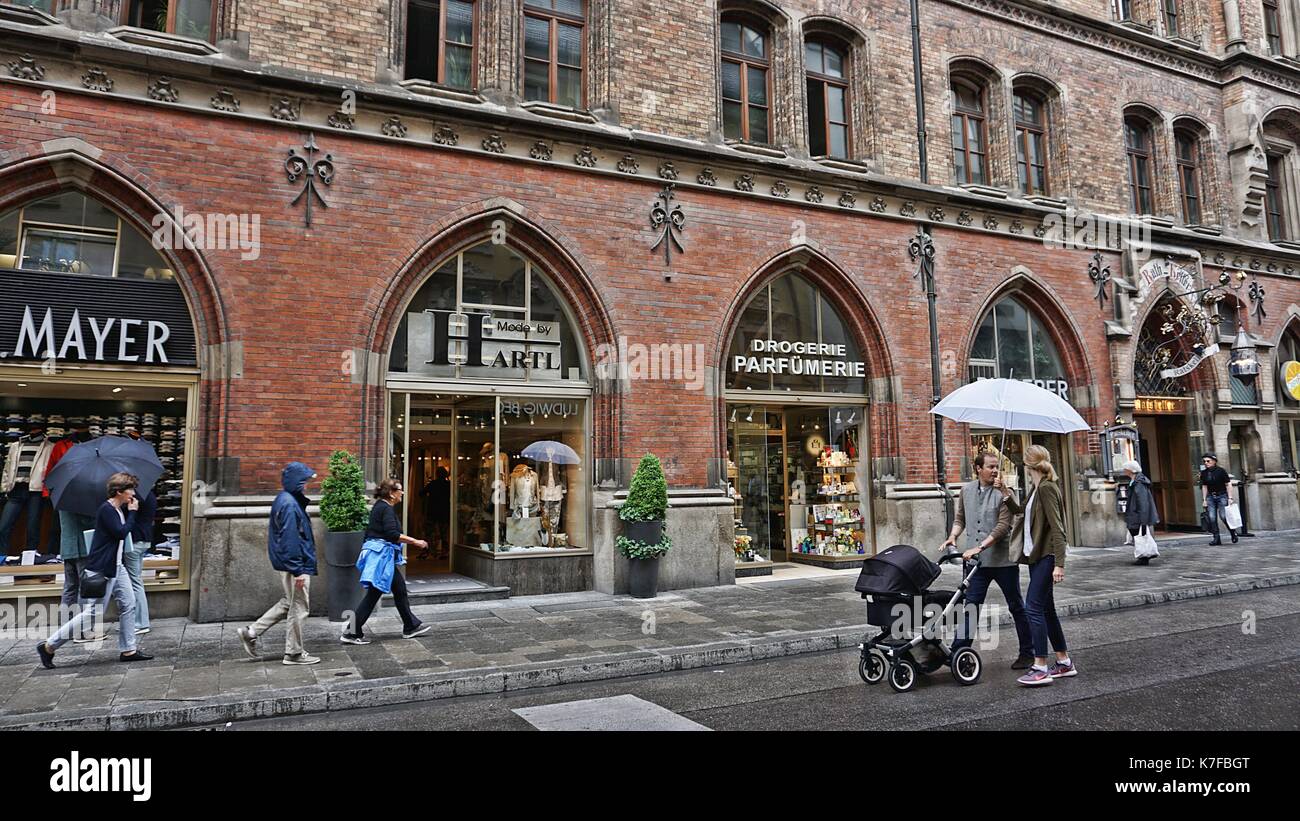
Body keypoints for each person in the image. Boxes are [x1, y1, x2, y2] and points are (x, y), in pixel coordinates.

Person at [36, 472, 154, 668]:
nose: (133, 493)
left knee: (129, 604)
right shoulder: (107, 510)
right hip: (104, 568)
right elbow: (121, 533)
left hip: (117, 566)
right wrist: (133, 513)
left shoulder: (117, 510)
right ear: (119, 492)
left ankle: (128, 649)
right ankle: (49, 645)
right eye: (130, 490)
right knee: (92, 613)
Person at [940, 451, 1034, 669]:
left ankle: (1027, 653)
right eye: (990, 466)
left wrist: (979, 547)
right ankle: (959, 653)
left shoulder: (1005, 493)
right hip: (976, 564)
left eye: (996, 467)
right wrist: (953, 535)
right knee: (971, 607)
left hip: (1003, 561)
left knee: (1016, 606)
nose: (994, 470)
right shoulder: (966, 490)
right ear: (978, 468)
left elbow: (1003, 527)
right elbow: (960, 519)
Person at [1002, 445, 1075, 686]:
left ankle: (1040, 666)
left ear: (1027, 464)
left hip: (1047, 558)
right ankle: (1063, 662)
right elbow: (1021, 512)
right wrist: (1005, 494)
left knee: (1032, 607)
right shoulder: (1036, 488)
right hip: (1037, 557)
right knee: (1046, 610)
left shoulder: (1046, 488)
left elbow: (1059, 529)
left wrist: (1059, 564)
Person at [237, 462, 320, 665]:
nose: (307, 485)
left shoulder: (284, 499)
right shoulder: (290, 504)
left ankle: (252, 632)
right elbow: (290, 540)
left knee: (288, 602)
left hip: (290, 565)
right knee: (299, 607)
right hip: (295, 566)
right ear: (296, 482)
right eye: (305, 481)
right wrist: (299, 570)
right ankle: (294, 653)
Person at [342, 479, 433, 643]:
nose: (402, 492)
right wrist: (415, 541)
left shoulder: (381, 507)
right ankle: (351, 632)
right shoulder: (385, 509)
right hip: (382, 557)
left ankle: (410, 626)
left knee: (399, 590)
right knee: (375, 594)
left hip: (383, 557)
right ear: (391, 493)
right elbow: (392, 534)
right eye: (400, 490)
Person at [123, 488, 157, 634]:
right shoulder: (149, 494)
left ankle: (141, 622)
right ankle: (137, 621)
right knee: (135, 580)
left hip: (135, 540)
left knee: (134, 581)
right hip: (144, 539)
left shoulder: (138, 496)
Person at [1122, 459, 1160, 566]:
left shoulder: (1139, 483)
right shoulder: (1135, 481)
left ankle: (1144, 556)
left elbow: (1143, 502)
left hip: (1137, 514)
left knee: (1140, 535)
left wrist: (1143, 520)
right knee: (1137, 535)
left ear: (1130, 470)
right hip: (1135, 513)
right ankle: (1143, 555)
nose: (1124, 471)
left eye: (1125, 469)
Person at [1199, 453, 1238, 546]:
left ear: (1214, 461)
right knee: (1212, 518)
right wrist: (1204, 500)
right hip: (1210, 497)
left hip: (1222, 496)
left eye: (1208, 461)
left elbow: (1228, 484)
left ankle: (1233, 532)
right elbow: (1204, 486)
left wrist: (1230, 497)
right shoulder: (1204, 473)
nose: (1206, 463)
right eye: (1204, 461)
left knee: (1223, 516)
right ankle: (1216, 538)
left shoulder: (1221, 471)